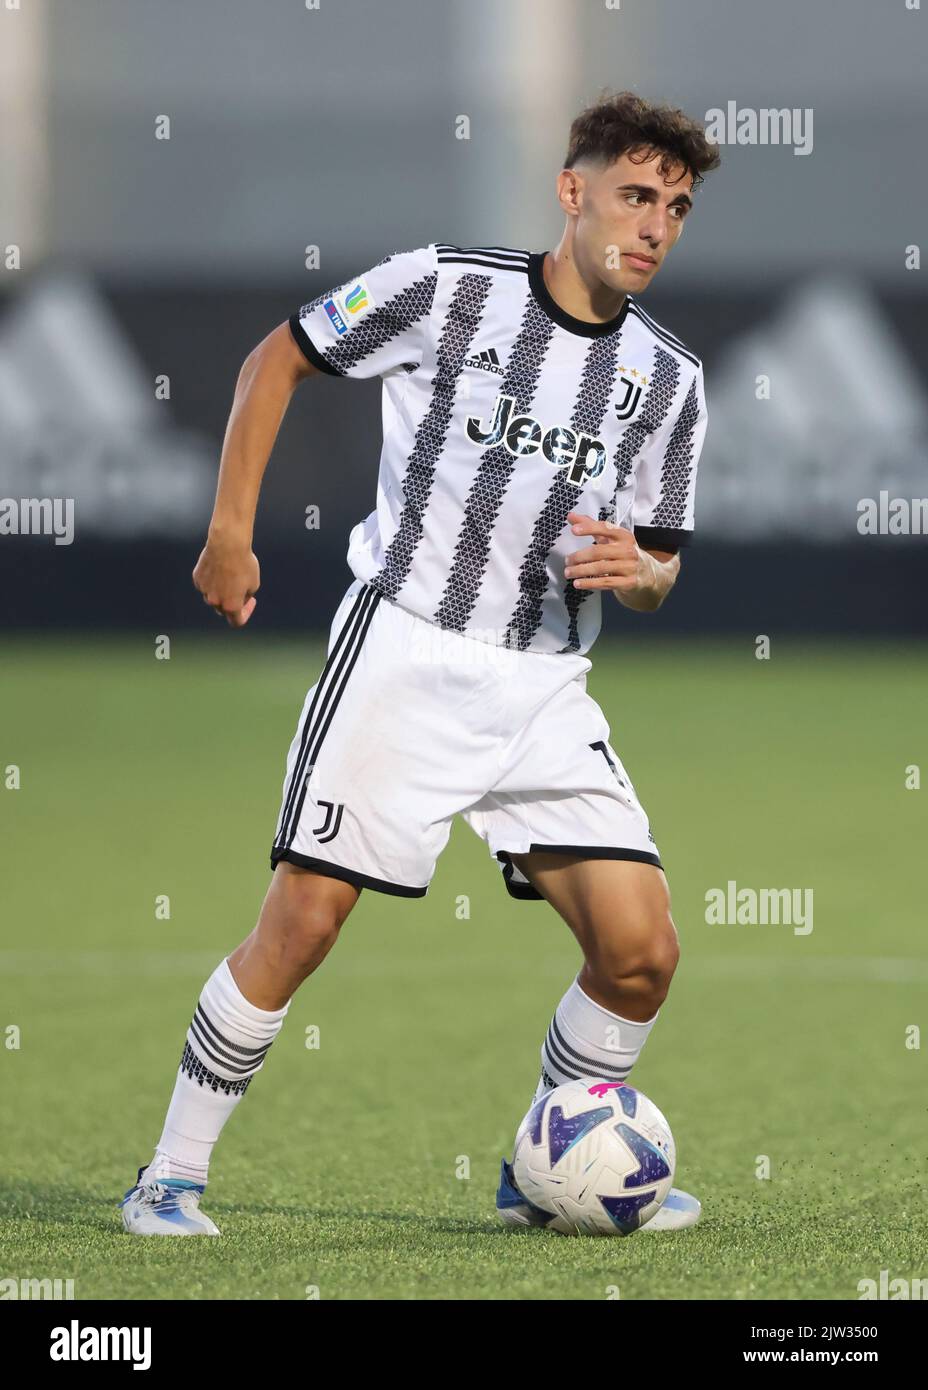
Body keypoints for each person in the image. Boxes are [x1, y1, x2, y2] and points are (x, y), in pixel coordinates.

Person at [120, 91, 720, 1237]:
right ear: (573, 189)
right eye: (635, 195)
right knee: (301, 925)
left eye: (676, 209)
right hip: (405, 651)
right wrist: (230, 531)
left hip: (543, 682)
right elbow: (275, 360)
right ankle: (169, 1176)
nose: (653, 225)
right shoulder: (448, 286)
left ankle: (547, 1166)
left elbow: (662, 569)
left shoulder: (669, 381)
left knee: (640, 954)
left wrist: (635, 574)